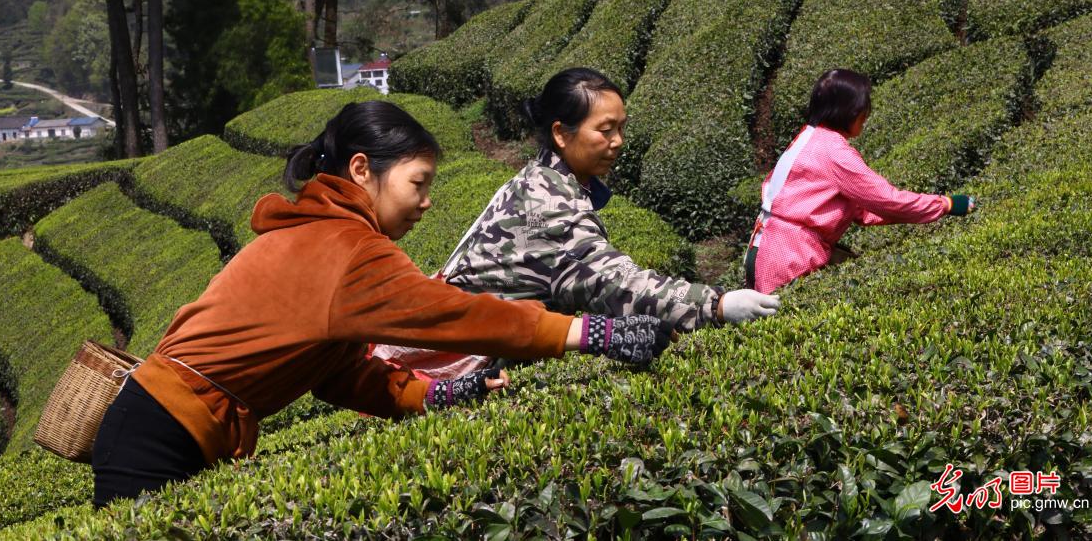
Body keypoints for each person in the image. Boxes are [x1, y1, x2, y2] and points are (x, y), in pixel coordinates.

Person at [91, 100, 673, 507]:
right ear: (362, 170)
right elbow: (451, 312)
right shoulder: (346, 247)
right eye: (418, 183)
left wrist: (436, 395)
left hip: (164, 427)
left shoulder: (322, 234)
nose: (426, 202)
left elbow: (339, 375)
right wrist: (587, 333)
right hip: (160, 435)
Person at [375, 68, 779, 379]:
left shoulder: (540, 177)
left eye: (621, 128)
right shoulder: (548, 204)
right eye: (605, 130)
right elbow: (614, 282)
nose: (618, 141)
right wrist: (717, 305)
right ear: (561, 134)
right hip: (453, 369)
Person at [745, 68, 976, 293]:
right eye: (862, 110)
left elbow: (862, 210)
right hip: (788, 256)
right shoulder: (833, 151)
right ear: (846, 111)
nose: (865, 116)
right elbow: (887, 201)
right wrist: (945, 205)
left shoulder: (808, 137)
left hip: (766, 248)